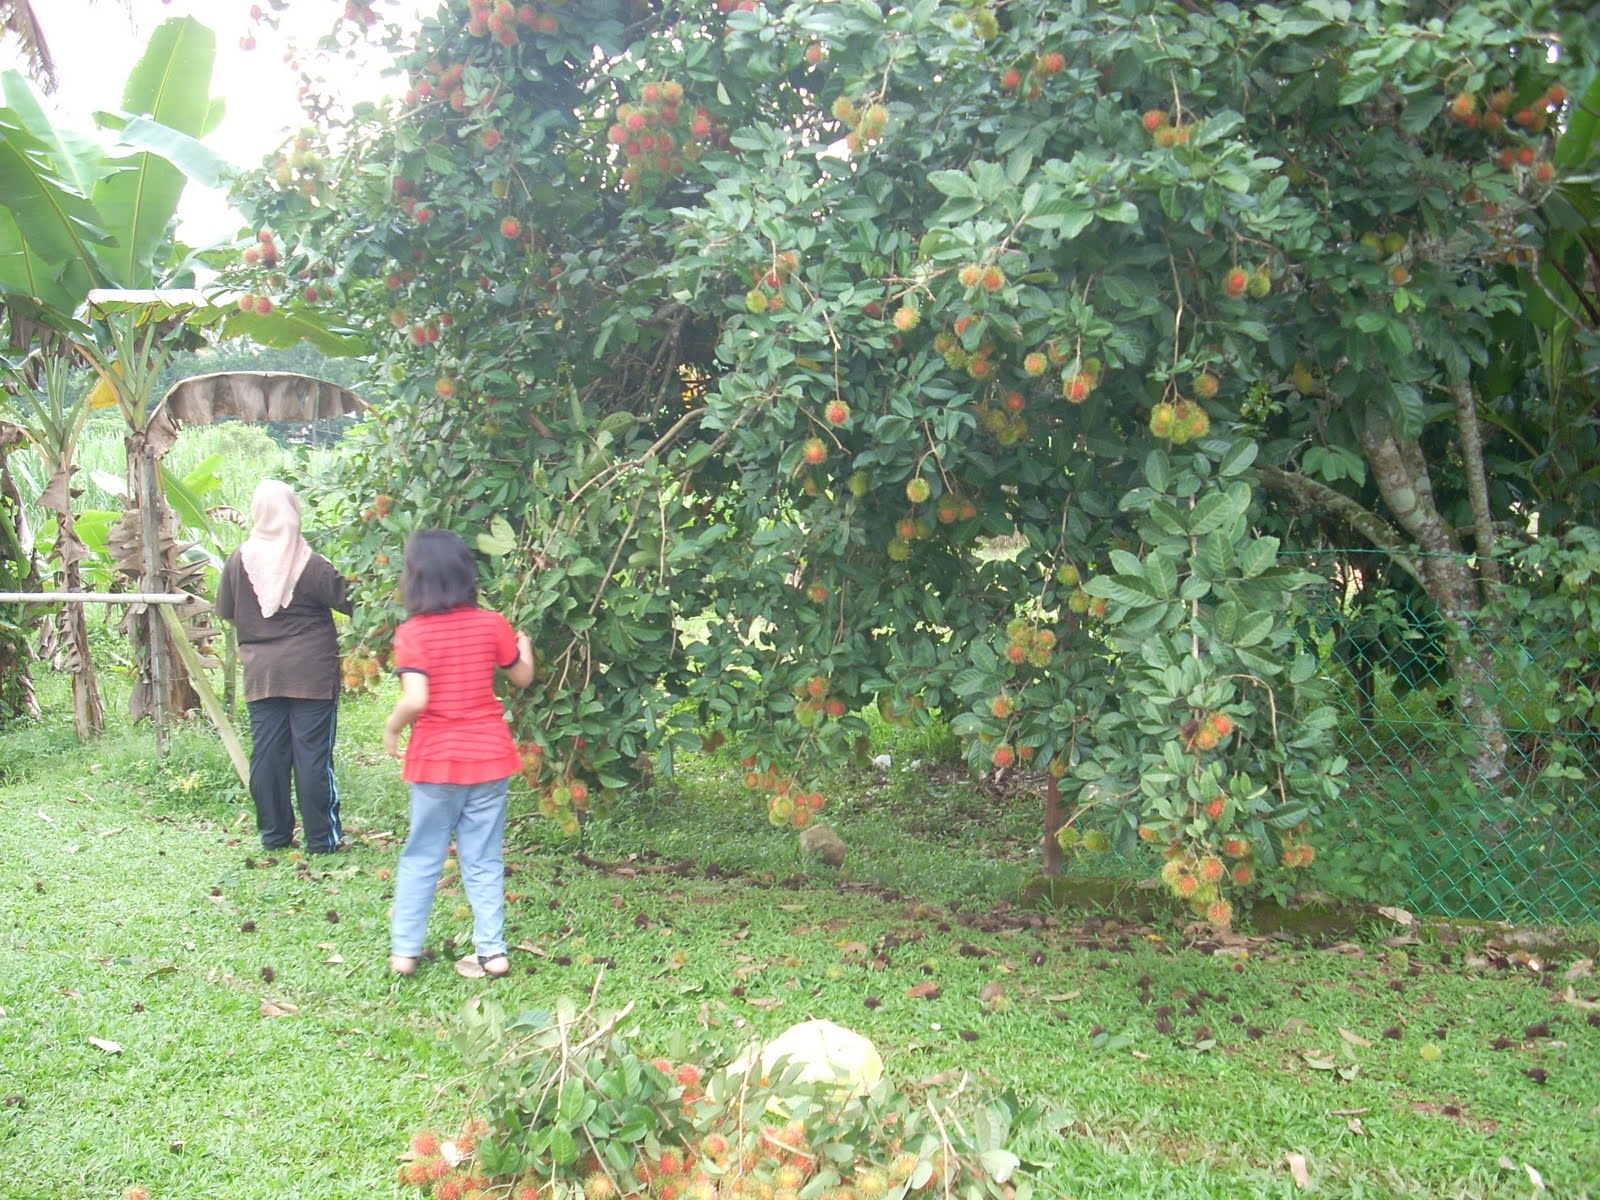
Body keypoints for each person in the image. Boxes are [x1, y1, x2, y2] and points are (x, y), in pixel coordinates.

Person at [383, 529, 534, 979]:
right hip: (489, 758)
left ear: (416, 579)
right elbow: (521, 677)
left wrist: (392, 726)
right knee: (484, 857)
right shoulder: (492, 624)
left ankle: (405, 953)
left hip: (436, 762)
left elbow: (416, 699)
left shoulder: (412, 634)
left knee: (423, 856)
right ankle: (494, 952)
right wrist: (523, 645)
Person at [217, 480, 352, 854]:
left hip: (261, 673)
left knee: (268, 754)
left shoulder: (237, 560)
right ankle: (322, 840)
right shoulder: (311, 564)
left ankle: (274, 835)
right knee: (312, 756)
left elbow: (228, 612)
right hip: (312, 673)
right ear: (294, 511)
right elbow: (355, 602)